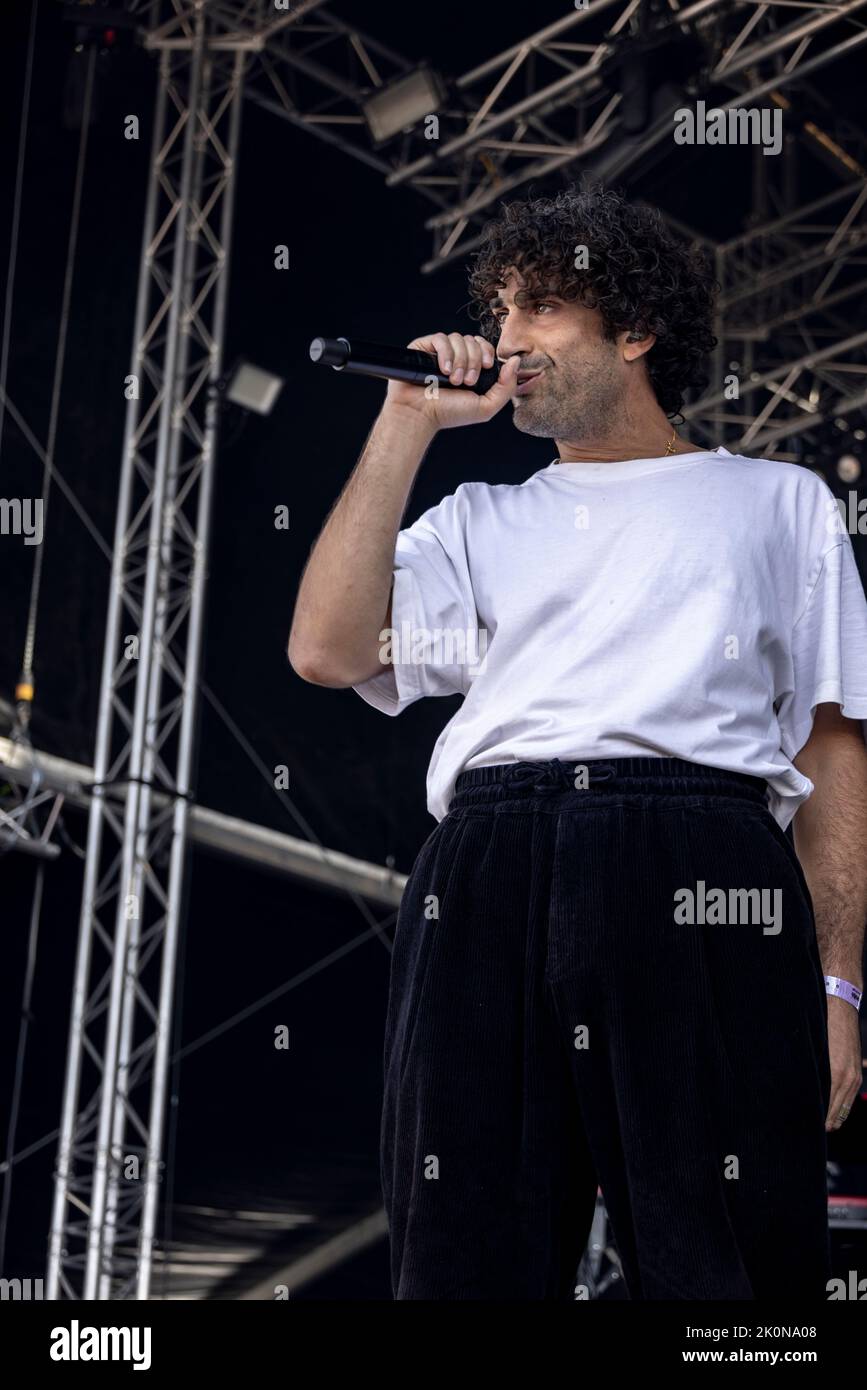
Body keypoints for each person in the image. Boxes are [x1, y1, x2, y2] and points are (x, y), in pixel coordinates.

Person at [288, 184, 867, 1301]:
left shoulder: (778, 502)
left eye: (543, 309)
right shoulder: (476, 521)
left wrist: (837, 987)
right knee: (462, 1249)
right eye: (501, 313)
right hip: (491, 860)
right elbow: (324, 647)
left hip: (698, 850)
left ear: (636, 331)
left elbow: (836, 750)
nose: (509, 341)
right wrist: (406, 421)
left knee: (726, 1256)